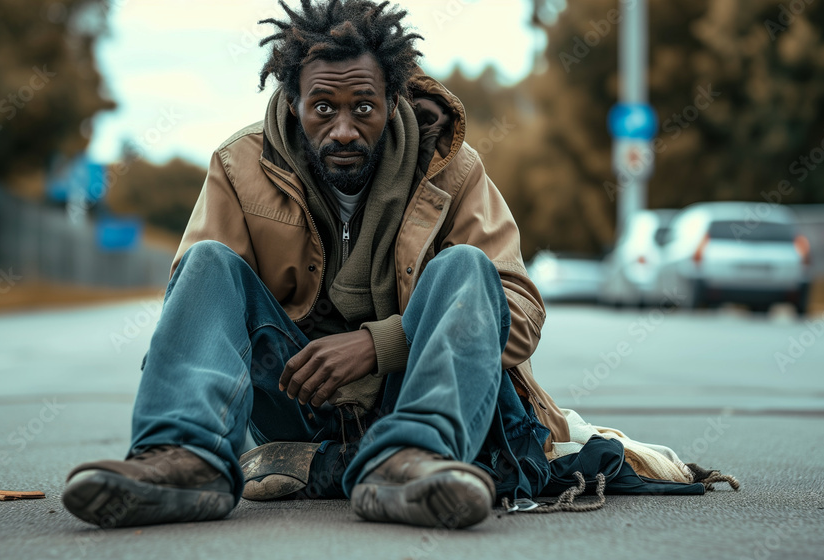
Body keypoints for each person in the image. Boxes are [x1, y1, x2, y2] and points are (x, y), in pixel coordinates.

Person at [61, 0, 571, 530]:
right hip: (294, 399)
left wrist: (382, 343)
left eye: (364, 108)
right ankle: (186, 463)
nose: (344, 130)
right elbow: (194, 315)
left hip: (412, 399)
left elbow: (520, 313)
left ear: (393, 100)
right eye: (323, 108)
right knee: (206, 263)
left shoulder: (451, 169)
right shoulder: (238, 166)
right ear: (293, 101)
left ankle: (409, 465)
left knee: (465, 266)